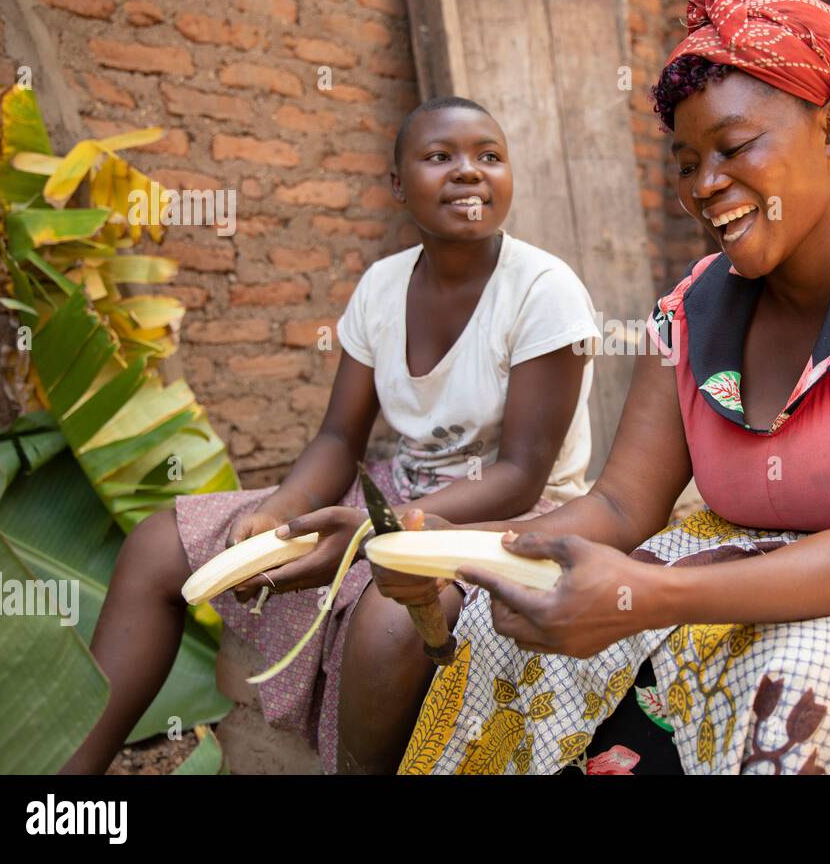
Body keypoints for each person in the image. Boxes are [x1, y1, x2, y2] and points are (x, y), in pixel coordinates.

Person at [374, 0, 830, 775]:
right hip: (742, 547)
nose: (705, 186)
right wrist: (440, 549)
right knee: (508, 638)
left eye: (736, 148)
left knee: (810, 683)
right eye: (686, 162)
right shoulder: (690, 311)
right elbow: (617, 507)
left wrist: (652, 598)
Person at [60, 96, 601, 775]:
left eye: (489, 156)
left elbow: (522, 472)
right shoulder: (381, 288)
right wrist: (278, 511)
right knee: (158, 545)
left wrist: (380, 536)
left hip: (510, 513)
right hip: (395, 495)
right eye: (441, 157)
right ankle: (70, 787)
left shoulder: (544, 291)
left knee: (390, 617)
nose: (469, 173)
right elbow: (339, 439)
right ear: (398, 186)